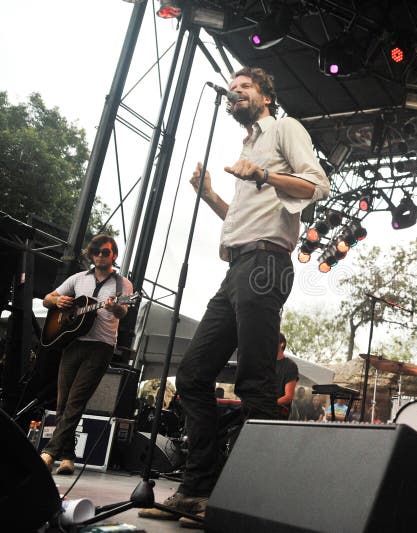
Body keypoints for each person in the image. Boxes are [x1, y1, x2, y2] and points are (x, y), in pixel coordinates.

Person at [139, 66, 328, 524]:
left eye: (245, 86)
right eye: (232, 88)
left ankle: (251, 498)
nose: (234, 92)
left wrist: (264, 173)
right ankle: (197, 490)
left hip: (266, 265)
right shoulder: (246, 147)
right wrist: (209, 195)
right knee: (193, 376)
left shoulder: (284, 129)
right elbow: (245, 220)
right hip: (240, 265)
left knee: (256, 385)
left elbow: (317, 185)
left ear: (265, 94)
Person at [39, 234, 133, 475]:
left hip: (100, 346)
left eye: (106, 252)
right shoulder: (78, 279)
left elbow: (123, 312)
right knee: (62, 402)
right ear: (91, 254)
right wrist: (58, 301)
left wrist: (115, 307)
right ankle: (68, 457)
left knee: (76, 400)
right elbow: (46, 299)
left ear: (114, 255)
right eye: (97, 252)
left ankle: (49, 454)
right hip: (73, 343)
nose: (101, 255)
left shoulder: (123, 285)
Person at [276, 332, 299, 420]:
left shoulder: (290, 366)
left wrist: (269, 404)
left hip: (279, 413)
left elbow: (288, 397)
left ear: (282, 344)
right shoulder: (267, 364)